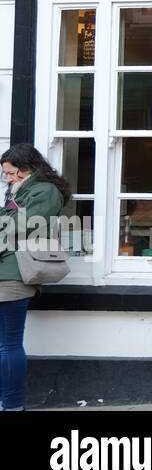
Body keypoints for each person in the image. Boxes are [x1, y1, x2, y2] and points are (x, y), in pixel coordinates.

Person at [0, 144, 70, 411]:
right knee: (4, 345)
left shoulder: (45, 191)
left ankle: (13, 405)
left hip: (14, 276)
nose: (7, 179)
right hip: (6, 272)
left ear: (26, 168)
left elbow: (27, 224)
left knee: (9, 345)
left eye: (10, 173)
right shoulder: (22, 190)